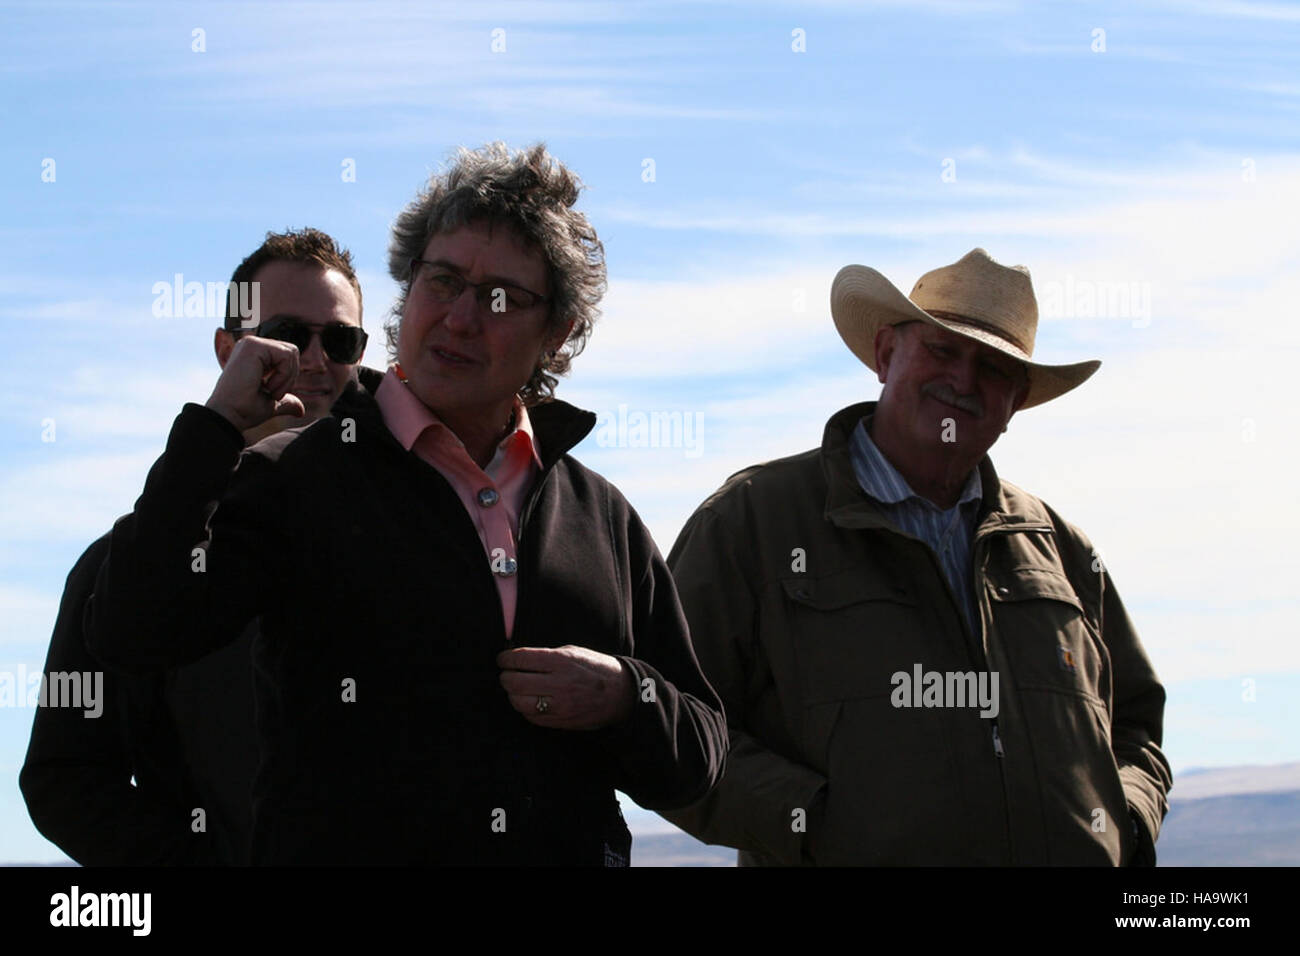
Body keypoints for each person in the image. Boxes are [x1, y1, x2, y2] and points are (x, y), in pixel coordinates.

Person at [86, 142, 726, 866]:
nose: (458, 318)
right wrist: (211, 430)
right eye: (441, 281)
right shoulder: (293, 475)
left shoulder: (600, 515)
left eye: (500, 300)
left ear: (559, 333)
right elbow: (132, 628)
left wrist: (624, 696)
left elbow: (703, 750)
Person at [662, 248, 1172, 865]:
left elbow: (1136, 724)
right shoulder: (753, 522)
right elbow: (668, 725)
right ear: (884, 355)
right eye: (942, 350)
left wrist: (1124, 825)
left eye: (994, 368)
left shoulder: (1061, 549)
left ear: (1015, 402)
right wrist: (822, 824)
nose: (963, 380)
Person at [21, 228, 368, 864]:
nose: (316, 361)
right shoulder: (124, 567)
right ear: (227, 349)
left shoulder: (417, 527)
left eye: (341, 340)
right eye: (289, 335)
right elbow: (64, 779)